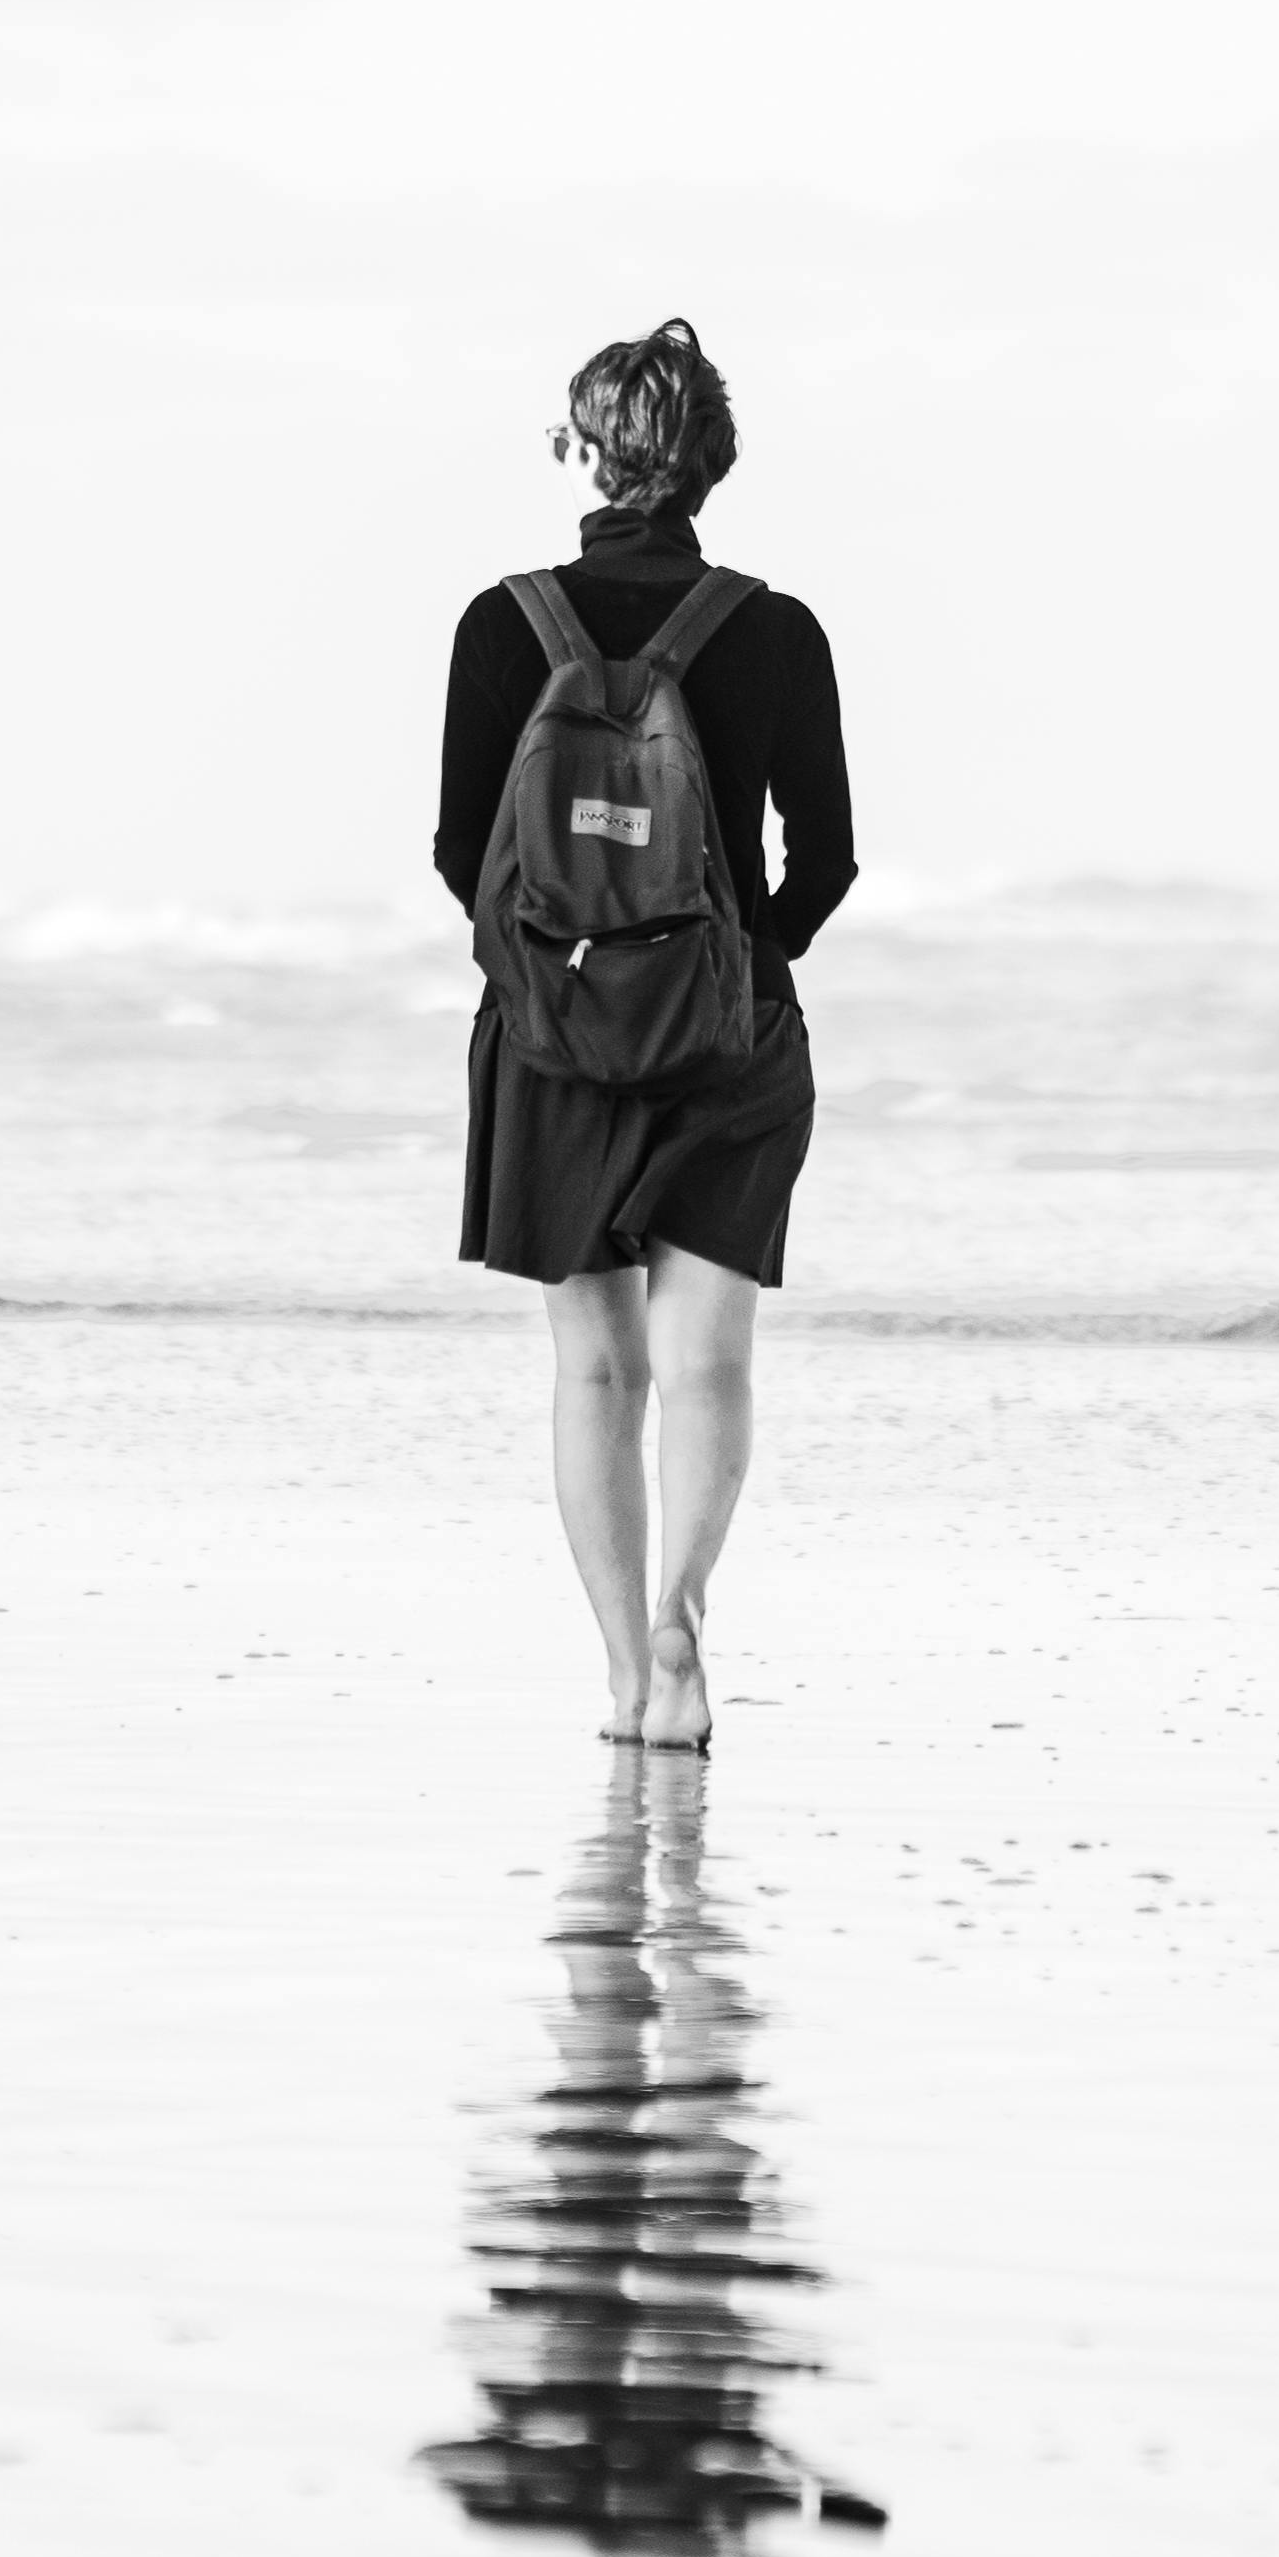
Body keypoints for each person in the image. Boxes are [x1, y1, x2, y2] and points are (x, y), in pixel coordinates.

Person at [435, 317, 856, 1753]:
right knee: (708, 1364)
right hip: (727, 1037)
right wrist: (740, 964)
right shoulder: (781, 630)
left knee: (594, 1370)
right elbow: (829, 863)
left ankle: (627, 1674)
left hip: (555, 1038)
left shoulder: (503, 625)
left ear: (585, 447)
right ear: (712, 462)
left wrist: (568, 970)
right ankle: (685, 1615)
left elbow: (458, 854)